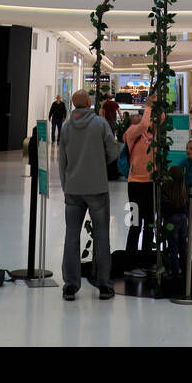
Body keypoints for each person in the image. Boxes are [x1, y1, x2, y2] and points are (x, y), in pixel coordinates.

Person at [58, 89, 119, 301]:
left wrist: (66, 185)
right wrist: (100, 163)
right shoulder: (100, 124)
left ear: (74, 105)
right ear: (88, 102)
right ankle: (104, 285)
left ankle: (71, 285)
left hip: (74, 189)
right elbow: (112, 151)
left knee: (71, 236)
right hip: (97, 188)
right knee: (102, 237)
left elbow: (62, 160)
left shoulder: (66, 127)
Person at [124, 98, 156, 278]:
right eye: (135, 116)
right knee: (135, 224)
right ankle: (130, 264)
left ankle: (146, 261)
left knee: (150, 224)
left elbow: (158, 120)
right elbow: (144, 124)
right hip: (135, 184)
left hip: (150, 183)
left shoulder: (150, 134)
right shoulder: (131, 133)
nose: (138, 116)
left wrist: (156, 103)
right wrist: (149, 105)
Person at [160, 166, 189, 280]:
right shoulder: (182, 190)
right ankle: (186, 272)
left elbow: (164, 208)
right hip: (183, 220)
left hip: (171, 220)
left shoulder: (164, 190)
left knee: (173, 248)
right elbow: (186, 208)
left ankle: (175, 274)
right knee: (183, 248)